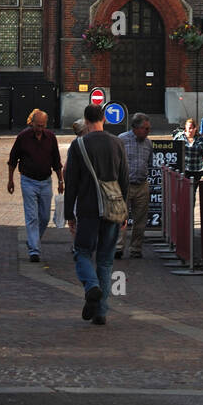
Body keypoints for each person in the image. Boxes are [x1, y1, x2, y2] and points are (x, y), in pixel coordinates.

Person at [64, 103, 129, 326]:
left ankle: (91, 286)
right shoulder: (117, 143)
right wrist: (125, 212)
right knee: (105, 260)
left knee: (82, 252)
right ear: (104, 119)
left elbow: (71, 183)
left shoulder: (78, 144)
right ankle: (101, 311)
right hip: (113, 208)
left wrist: (68, 214)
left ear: (86, 120)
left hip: (88, 208)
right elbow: (124, 180)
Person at [7, 109, 64, 263]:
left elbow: (56, 161)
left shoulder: (51, 137)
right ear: (31, 123)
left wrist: (60, 180)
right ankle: (34, 250)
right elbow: (13, 160)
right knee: (32, 216)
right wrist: (10, 180)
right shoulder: (23, 137)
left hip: (46, 181)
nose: (40, 129)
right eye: (37, 125)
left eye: (42, 126)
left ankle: (33, 240)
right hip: (28, 180)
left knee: (44, 217)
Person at [116, 112, 152, 259]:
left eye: (148, 128)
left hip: (142, 184)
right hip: (125, 185)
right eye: (145, 128)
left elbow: (149, 162)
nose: (148, 131)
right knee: (120, 217)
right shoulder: (122, 140)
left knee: (140, 219)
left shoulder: (148, 143)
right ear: (136, 128)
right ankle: (118, 247)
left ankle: (136, 248)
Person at [173, 117, 203, 192]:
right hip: (184, 169)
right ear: (185, 128)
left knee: (192, 191)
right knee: (184, 191)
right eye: (189, 128)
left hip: (196, 169)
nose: (190, 130)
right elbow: (173, 149)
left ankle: (191, 203)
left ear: (195, 129)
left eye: (192, 128)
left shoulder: (200, 138)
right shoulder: (179, 137)